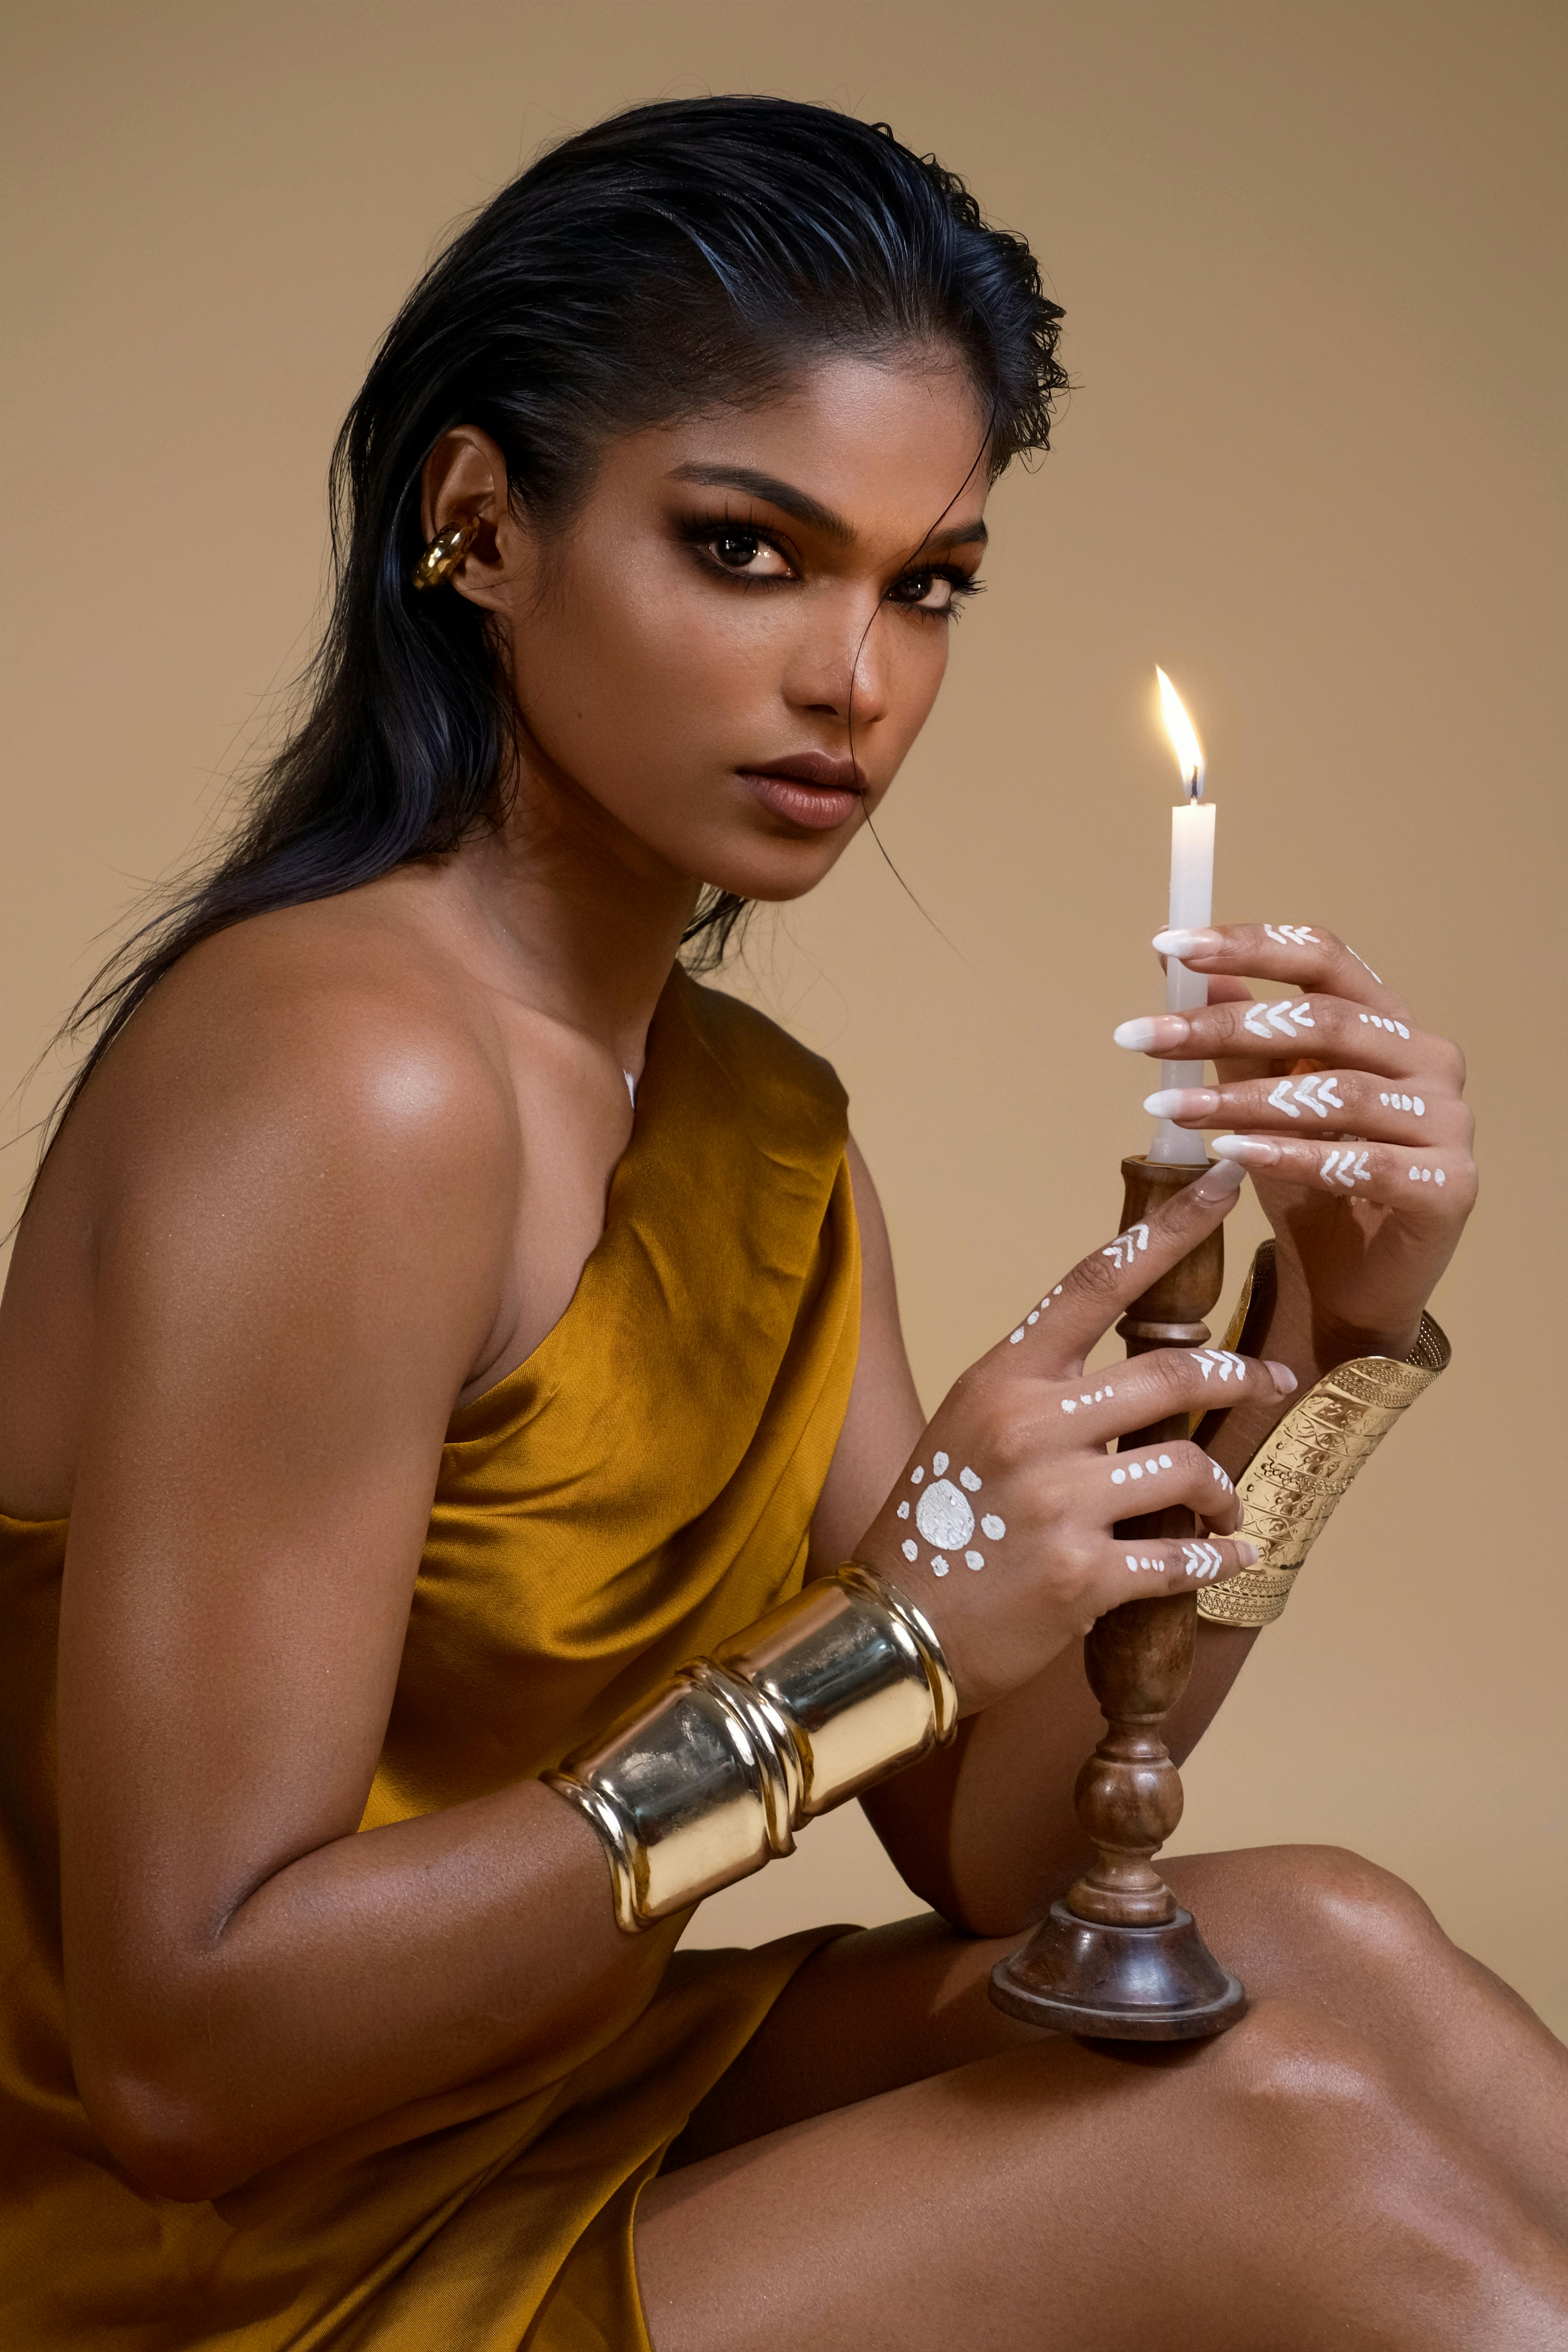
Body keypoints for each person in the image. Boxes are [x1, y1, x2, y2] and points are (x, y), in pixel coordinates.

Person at [0, 94, 1562, 2352]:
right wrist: (893, 1635)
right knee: (1271, 2138)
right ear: (479, 526)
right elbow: (185, 2057)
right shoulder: (348, 1079)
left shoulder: (752, 1125)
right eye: (751, 550)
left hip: (548, 2104)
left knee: (1326, 1935)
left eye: (927, 582)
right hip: (216, 2270)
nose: (860, 676)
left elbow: (1008, 1855)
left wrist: (1320, 1343)